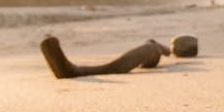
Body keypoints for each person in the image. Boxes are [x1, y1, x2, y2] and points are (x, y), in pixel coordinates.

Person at [40, 36, 171, 79]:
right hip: (152, 51)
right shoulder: (155, 48)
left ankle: (71, 71)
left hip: (152, 51)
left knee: (150, 48)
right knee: (150, 48)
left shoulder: (152, 48)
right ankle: (70, 70)